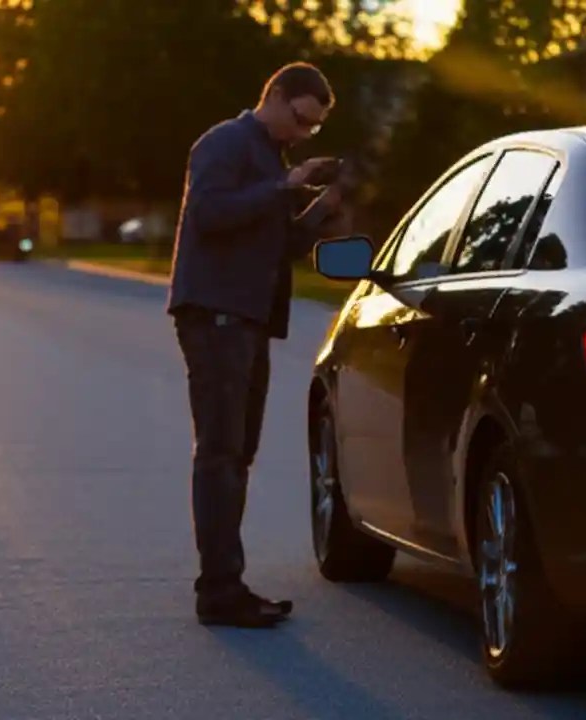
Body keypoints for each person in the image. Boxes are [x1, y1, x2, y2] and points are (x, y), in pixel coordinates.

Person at [167, 62, 349, 629]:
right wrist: (282, 187)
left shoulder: (272, 159)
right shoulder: (225, 142)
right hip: (215, 314)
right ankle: (219, 590)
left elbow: (278, 242)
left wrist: (320, 208)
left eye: (314, 127)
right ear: (275, 96)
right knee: (221, 452)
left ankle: (227, 583)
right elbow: (208, 214)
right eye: (301, 119)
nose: (303, 133)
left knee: (238, 452)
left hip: (247, 319)